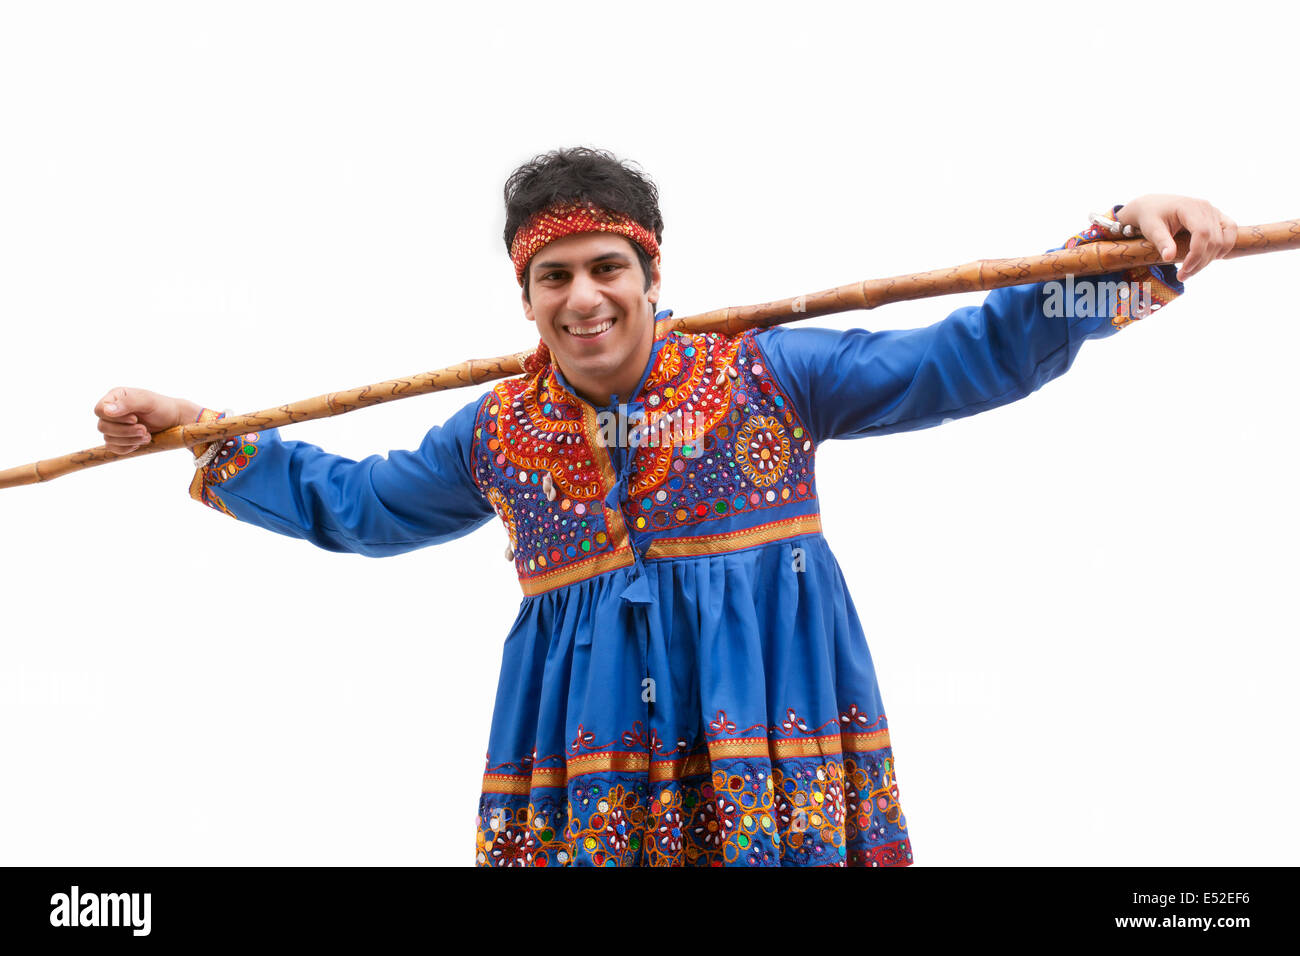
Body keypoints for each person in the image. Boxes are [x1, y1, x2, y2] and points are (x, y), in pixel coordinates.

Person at [92, 148, 1237, 867]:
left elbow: (967, 356)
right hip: (586, 764)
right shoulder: (493, 433)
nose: (584, 298)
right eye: (555, 276)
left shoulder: (769, 377)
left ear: (649, 275)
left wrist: (1120, 241)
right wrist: (204, 432)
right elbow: (363, 505)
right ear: (526, 294)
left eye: (607, 268)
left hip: (775, 732)